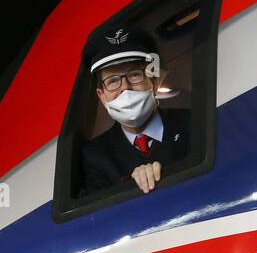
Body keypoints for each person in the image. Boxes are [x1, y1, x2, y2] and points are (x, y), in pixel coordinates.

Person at [79, 26, 190, 196]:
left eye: (134, 75)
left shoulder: (192, 122)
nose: (125, 87)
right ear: (102, 96)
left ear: (153, 81)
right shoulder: (96, 156)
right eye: (113, 80)